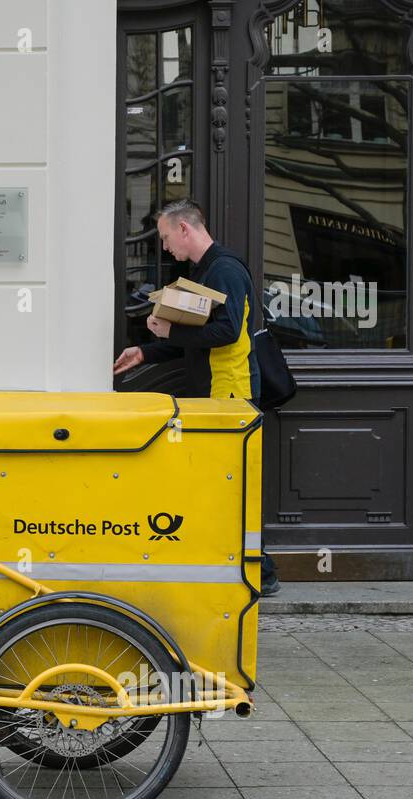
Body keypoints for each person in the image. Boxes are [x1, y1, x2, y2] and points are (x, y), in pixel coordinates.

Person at [112, 197, 280, 596]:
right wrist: (146, 352)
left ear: (185, 229)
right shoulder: (208, 270)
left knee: (230, 485)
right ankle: (235, 566)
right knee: (221, 484)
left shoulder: (224, 270)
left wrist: (169, 333)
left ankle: (263, 571)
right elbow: (198, 341)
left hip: (230, 393)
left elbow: (227, 333)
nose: (167, 247)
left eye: (168, 237)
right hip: (216, 391)